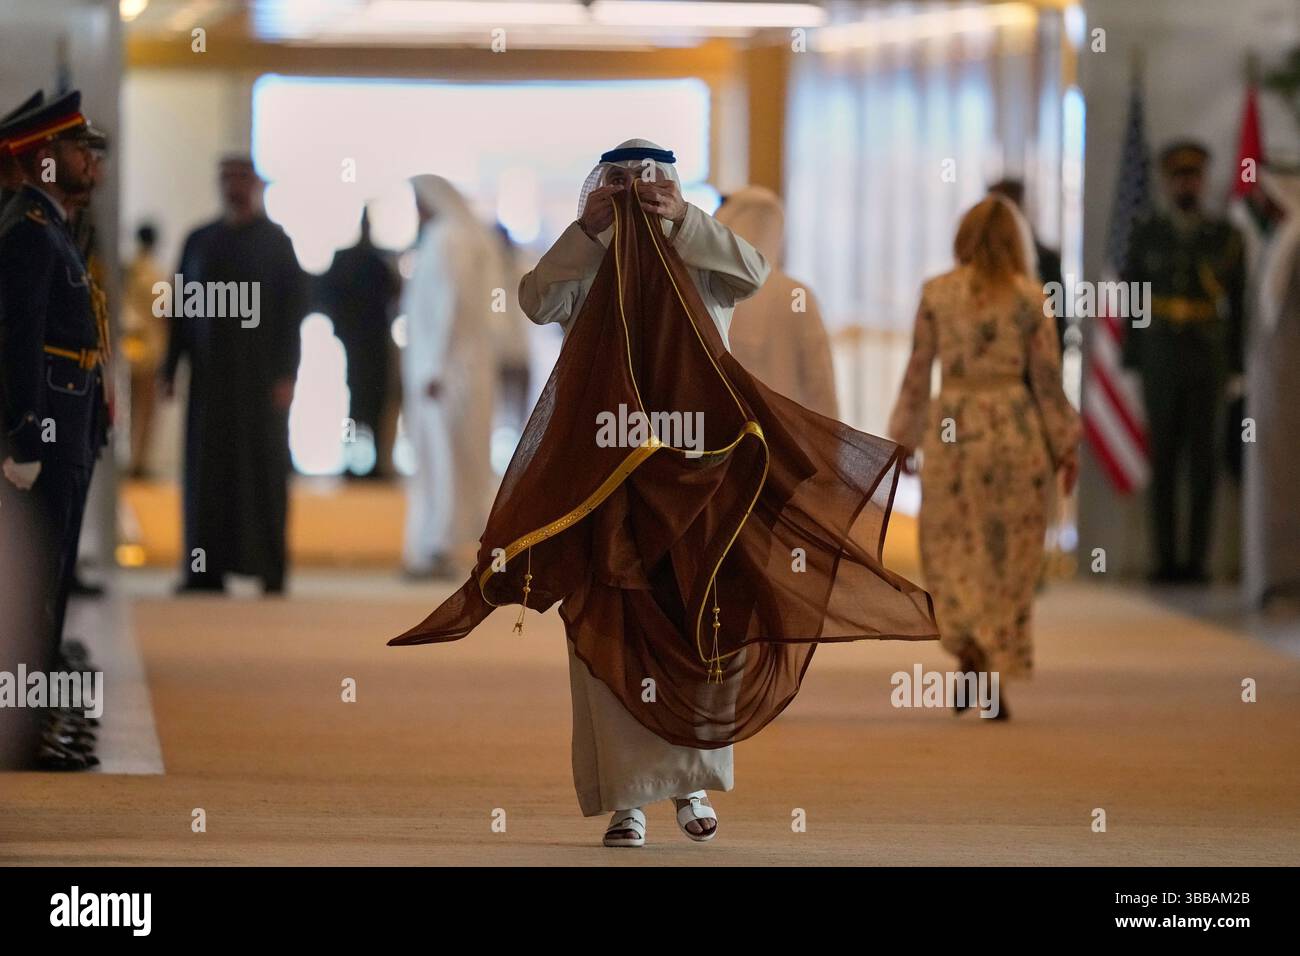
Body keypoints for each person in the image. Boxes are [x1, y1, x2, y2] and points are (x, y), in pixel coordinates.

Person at [392, 140, 938, 849]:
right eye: (622, 182)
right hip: (608, 476)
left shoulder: (701, 257)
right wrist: (587, 230)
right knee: (614, 621)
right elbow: (534, 300)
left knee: (703, 622)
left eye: (650, 183)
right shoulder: (590, 262)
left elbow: (752, 271)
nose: (637, 194)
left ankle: (692, 785)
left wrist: (682, 218)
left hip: (700, 473)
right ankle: (628, 802)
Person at [888, 196, 1080, 719]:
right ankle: (993, 664)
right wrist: (1066, 444)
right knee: (1008, 555)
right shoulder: (1029, 298)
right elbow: (1046, 382)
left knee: (950, 546)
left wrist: (904, 438)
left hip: (955, 428)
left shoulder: (937, 294)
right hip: (1016, 432)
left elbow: (917, 371)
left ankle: (969, 647)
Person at [0, 90, 110, 769]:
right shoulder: (28, 231)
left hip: (69, 425)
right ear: (43, 160)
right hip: (47, 431)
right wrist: (23, 436)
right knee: (37, 587)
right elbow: (19, 339)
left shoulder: (48, 227)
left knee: (54, 583)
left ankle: (37, 720)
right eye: (76, 148)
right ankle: (26, 730)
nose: (87, 159)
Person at [160, 155, 307, 595]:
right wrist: (170, 367)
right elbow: (180, 310)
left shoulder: (277, 243)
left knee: (261, 473)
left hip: (261, 384)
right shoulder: (199, 240)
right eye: (226, 177)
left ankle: (267, 568)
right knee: (208, 475)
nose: (233, 186)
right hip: (209, 381)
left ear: (256, 184)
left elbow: (291, 314)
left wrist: (287, 374)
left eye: (242, 177)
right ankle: (205, 571)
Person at [1121, 141, 1246, 584]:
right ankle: (1166, 561)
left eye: (1193, 176)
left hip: (1207, 358)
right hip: (1161, 358)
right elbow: (1131, 300)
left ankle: (1196, 562)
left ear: (1203, 180)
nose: (1186, 184)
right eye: (1179, 177)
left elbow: (1240, 306)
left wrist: (1237, 367)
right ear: (1167, 181)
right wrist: (1132, 360)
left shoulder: (1225, 237)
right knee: (1165, 461)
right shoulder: (1147, 234)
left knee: (1204, 464)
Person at [400, 175, 499, 579]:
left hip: (444, 371)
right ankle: (436, 544)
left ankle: (437, 545)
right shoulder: (459, 235)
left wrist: (435, 366)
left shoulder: (447, 238)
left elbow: (447, 306)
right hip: (455, 368)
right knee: (451, 458)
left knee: (441, 458)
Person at [714, 185, 838, 418]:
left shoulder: (708, 292)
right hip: (787, 438)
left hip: (724, 438)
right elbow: (820, 385)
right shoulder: (796, 294)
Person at [1244, 164, 1300, 609]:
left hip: (1292, 379)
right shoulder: (1279, 242)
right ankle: (1273, 576)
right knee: (1273, 480)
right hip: (1274, 379)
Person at [317, 207, 400, 479]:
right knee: (360, 402)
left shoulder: (373, 262)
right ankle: (357, 460)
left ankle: (367, 461)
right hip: (359, 343)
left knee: (370, 402)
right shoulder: (366, 261)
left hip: (369, 344)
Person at [122, 222, 168, 477]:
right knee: (146, 412)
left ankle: (133, 459)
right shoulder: (155, 274)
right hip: (150, 350)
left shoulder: (129, 270)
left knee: (132, 409)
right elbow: (165, 314)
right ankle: (139, 462)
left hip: (130, 348)